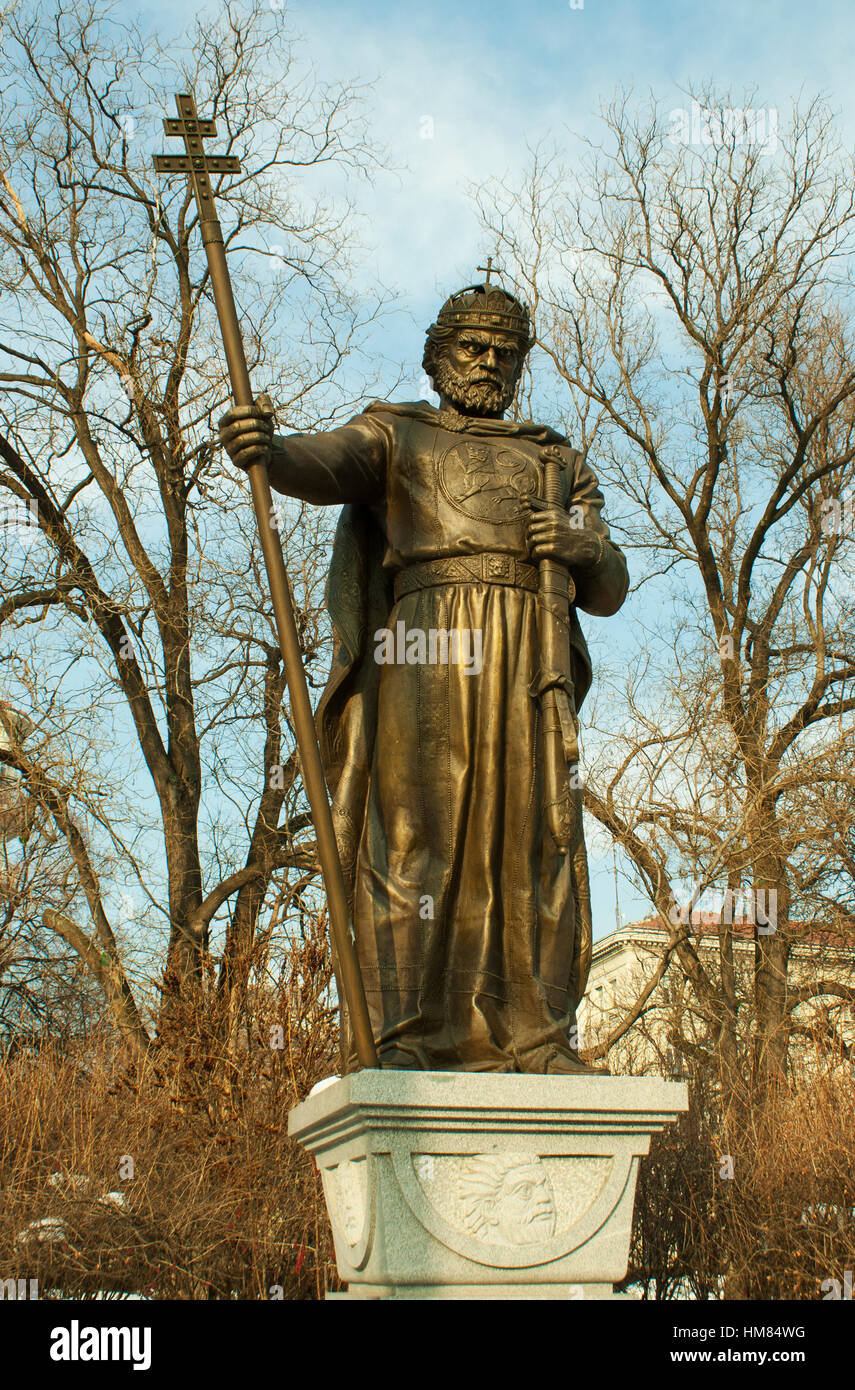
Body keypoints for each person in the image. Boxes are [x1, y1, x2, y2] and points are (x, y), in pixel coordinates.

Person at [220, 280, 629, 1073]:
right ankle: (405, 1034)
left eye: (504, 354)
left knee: (530, 837)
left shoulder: (555, 462)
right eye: (472, 349)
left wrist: (579, 548)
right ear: (438, 359)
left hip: (526, 654)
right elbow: (323, 464)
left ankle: (534, 1033)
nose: (487, 363)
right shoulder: (396, 434)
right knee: (414, 835)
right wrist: (269, 450)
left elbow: (608, 582)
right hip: (427, 640)